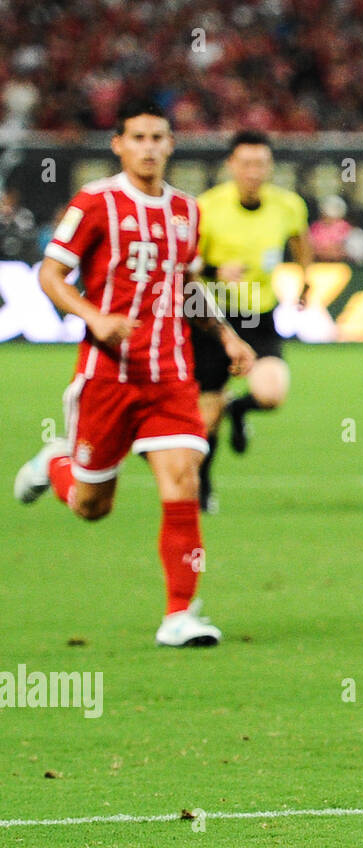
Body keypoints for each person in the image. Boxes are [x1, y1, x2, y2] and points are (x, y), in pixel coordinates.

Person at [13, 98, 256, 646]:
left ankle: (180, 615)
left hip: (170, 374)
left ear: (171, 145)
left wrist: (226, 334)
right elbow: (51, 274)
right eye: (138, 137)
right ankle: (56, 463)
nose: (149, 147)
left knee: (183, 478)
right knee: (91, 506)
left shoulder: (187, 211)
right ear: (119, 145)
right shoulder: (95, 202)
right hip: (108, 376)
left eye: (158, 137)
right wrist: (95, 316)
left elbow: (186, 283)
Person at [192, 130, 312, 512]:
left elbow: (300, 242)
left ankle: (238, 409)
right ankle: (203, 486)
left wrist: (306, 279)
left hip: (259, 316)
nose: (253, 171)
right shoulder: (207, 207)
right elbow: (187, 266)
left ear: (270, 166)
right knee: (205, 414)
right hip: (213, 319)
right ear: (231, 165)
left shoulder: (288, 205)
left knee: (271, 395)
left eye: (261, 163)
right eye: (245, 163)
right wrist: (215, 268)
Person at [309, 194, 363, 266]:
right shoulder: (310, 232)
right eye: (325, 217)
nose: (329, 221)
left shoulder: (356, 235)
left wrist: (341, 252)